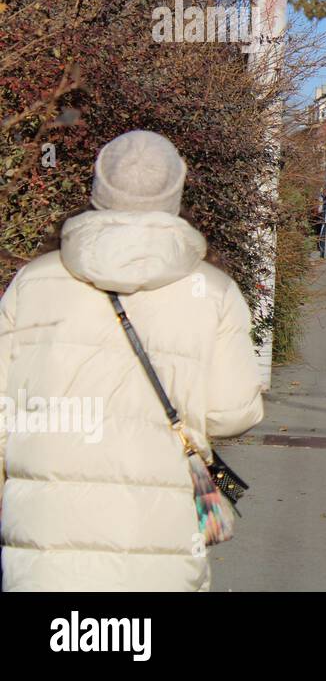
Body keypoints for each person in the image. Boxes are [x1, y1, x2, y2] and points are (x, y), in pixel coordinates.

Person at [0, 130, 264, 591]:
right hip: (160, 533)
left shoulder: (33, 281)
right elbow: (232, 411)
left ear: (98, 190)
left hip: (45, 534)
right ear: (176, 192)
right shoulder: (214, 291)